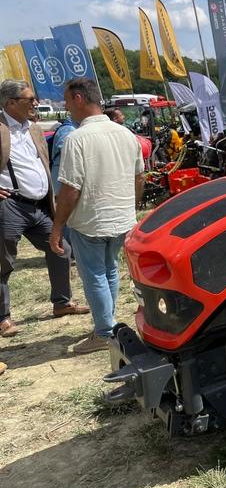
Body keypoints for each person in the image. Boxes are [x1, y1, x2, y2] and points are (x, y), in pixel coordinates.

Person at [49, 78, 145, 354]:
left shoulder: (76, 139)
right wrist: (132, 206)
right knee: (110, 270)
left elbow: (69, 190)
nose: (67, 108)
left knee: (95, 276)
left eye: (67, 102)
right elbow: (139, 178)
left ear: (79, 98)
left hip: (90, 221)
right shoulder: (126, 134)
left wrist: (57, 227)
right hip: (121, 218)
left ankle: (104, 332)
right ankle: (108, 323)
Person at [0, 80, 89, 338]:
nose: (36, 103)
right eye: (29, 99)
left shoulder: (34, 128)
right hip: (10, 205)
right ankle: (3, 318)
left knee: (60, 249)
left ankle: (61, 303)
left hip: (39, 205)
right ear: (11, 103)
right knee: (3, 263)